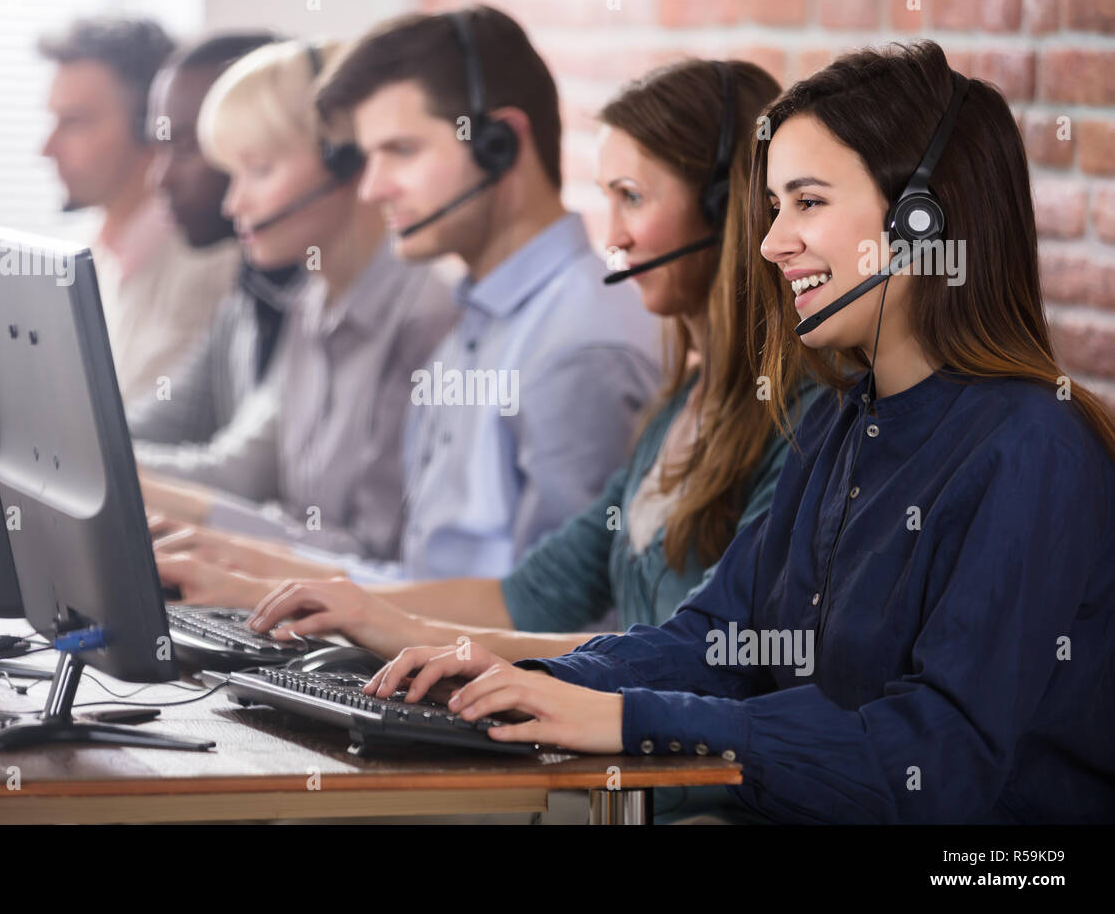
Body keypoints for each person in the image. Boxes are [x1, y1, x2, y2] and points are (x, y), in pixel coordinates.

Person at [357, 40, 1115, 824]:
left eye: (809, 203)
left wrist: (628, 721)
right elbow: (720, 639)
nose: (770, 243)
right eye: (775, 206)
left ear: (921, 222)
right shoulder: (843, 425)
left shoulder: (1035, 448)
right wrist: (535, 675)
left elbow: (935, 758)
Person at [154, 5, 661, 585]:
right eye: (369, 157)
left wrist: (256, 575)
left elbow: (557, 627)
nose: (371, 187)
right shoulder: (475, 327)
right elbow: (416, 580)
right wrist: (243, 566)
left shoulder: (578, 344)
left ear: (501, 143)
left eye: (402, 151)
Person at [140, 40, 461, 563]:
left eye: (259, 170)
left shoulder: (426, 319)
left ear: (347, 164)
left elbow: (381, 558)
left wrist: (205, 530)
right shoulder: (311, 302)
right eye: (233, 173)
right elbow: (282, 505)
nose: (233, 203)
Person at [125, 31, 304, 465]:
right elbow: (169, 419)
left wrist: (81, 464)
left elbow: (243, 472)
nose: (160, 179)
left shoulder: (320, 298)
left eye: (186, 149)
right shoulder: (251, 288)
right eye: (159, 147)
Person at [38, 17, 237, 404]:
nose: (47, 148)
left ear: (151, 128)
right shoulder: (86, 257)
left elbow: (125, 429)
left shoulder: (211, 272)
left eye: (74, 123)